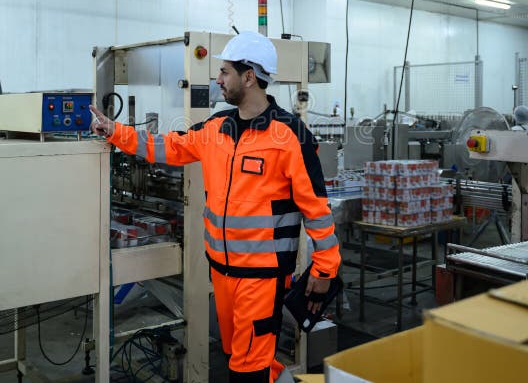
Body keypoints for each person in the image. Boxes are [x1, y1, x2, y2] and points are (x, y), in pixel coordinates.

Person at [90, 31, 341, 382]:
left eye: (224, 72)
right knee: (239, 355)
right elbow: (168, 147)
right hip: (221, 272)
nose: (218, 79)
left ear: (249, 76)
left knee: (247, 367)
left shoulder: (290, 135)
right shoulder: (216, 128)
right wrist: (115, 131)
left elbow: (316, 208)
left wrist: (325, 270)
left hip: (263, 276)